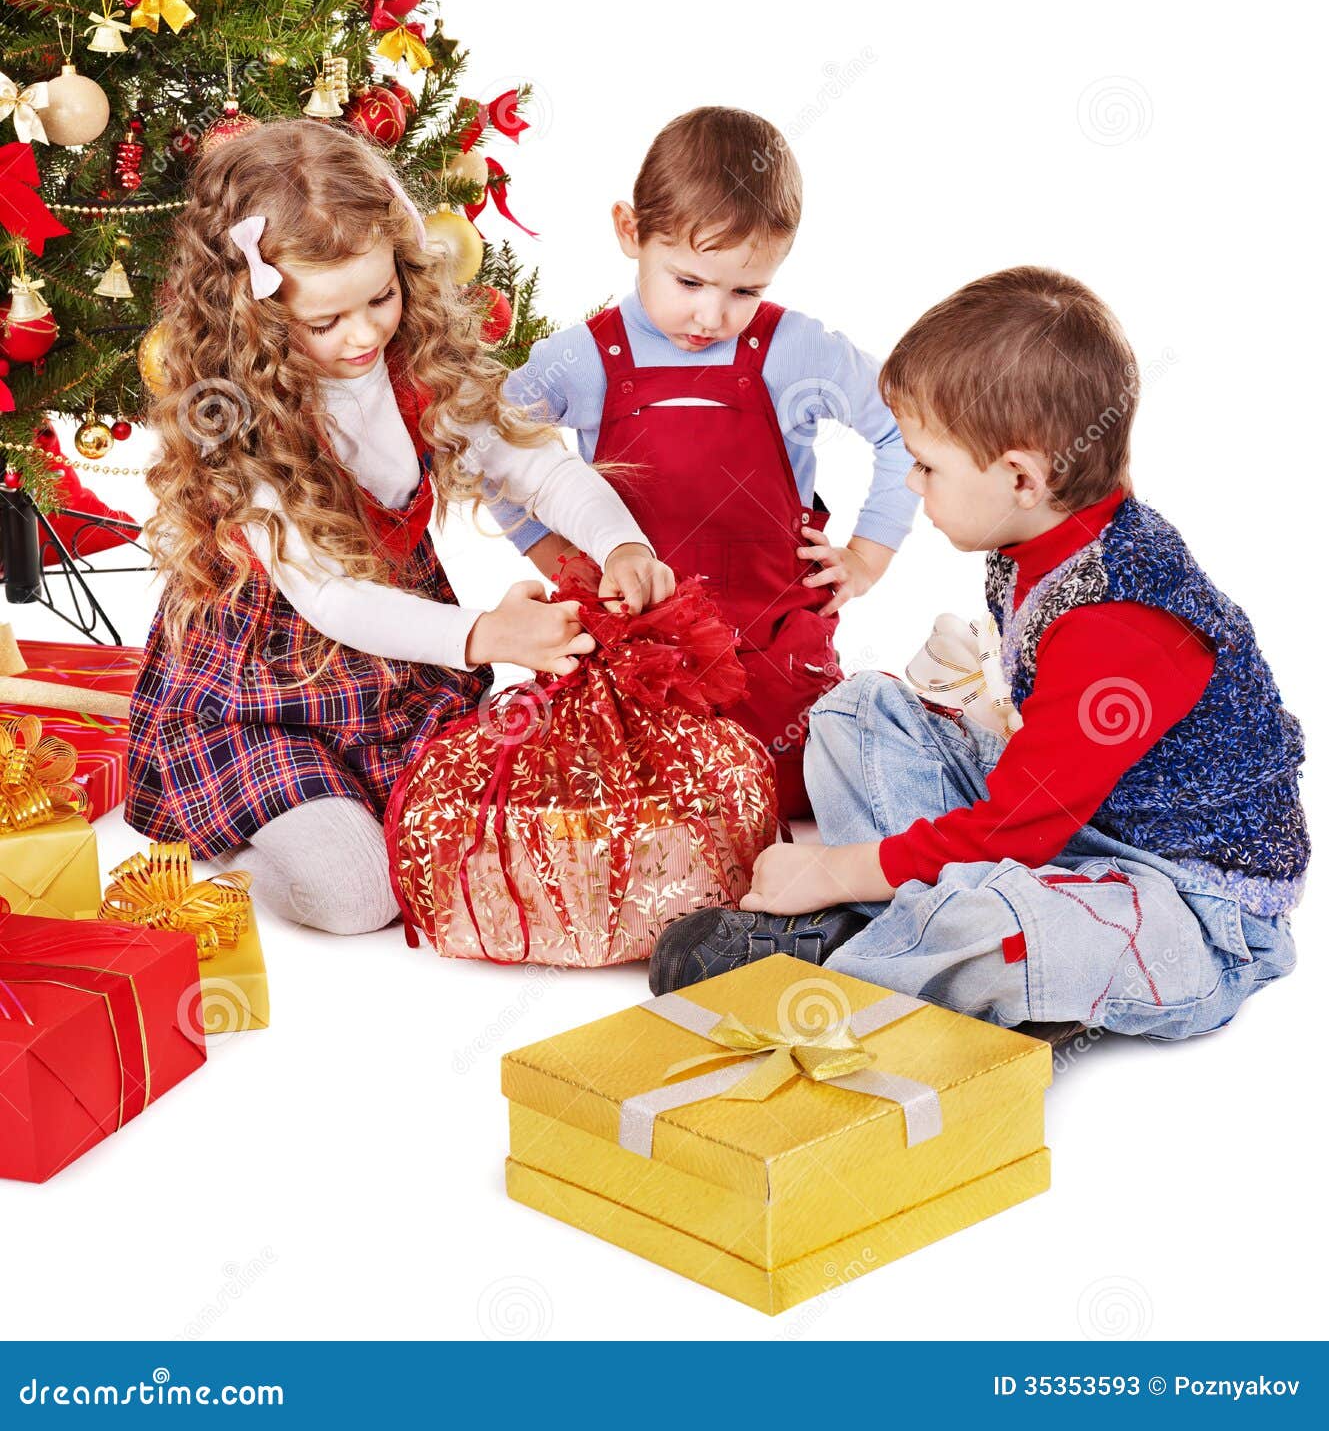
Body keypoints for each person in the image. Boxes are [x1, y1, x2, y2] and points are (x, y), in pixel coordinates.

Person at [650, 267, 1306, 1040]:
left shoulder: (1122, 623)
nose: (912, 483)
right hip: (1071, 828)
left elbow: (1016, 828)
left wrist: (834, 866)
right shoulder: (1042, 532)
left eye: (925, 465)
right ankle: (921, 941)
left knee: (1009, 930)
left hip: (1189, 904)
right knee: (854, 712)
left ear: (1021, 476)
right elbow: (1034, 779)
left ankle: (856, 961)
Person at [126, 119, 673, 935]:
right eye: (323, 321)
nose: (363, 335)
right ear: (256, 316)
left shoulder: (412, 363)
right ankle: (236, 839)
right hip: (262, 692)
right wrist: (487, 634)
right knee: (360, 898)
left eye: (380, 297)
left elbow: (536, 467)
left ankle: (353, 804)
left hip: (395, 677)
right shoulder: (237, 424)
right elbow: (335, 601)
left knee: (483, 818)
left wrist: (620, 542)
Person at [485, 106, 918, 815]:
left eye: (745, 290)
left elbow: (904, 426)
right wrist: (555, 554)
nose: (711, 317)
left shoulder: (795, 351)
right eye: (688, 282)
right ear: (631, 232)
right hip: (640, 648)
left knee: (808, 798)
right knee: (626, 802)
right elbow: (487, 449)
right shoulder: (581, 359)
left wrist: (868, 554)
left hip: (771, 642)